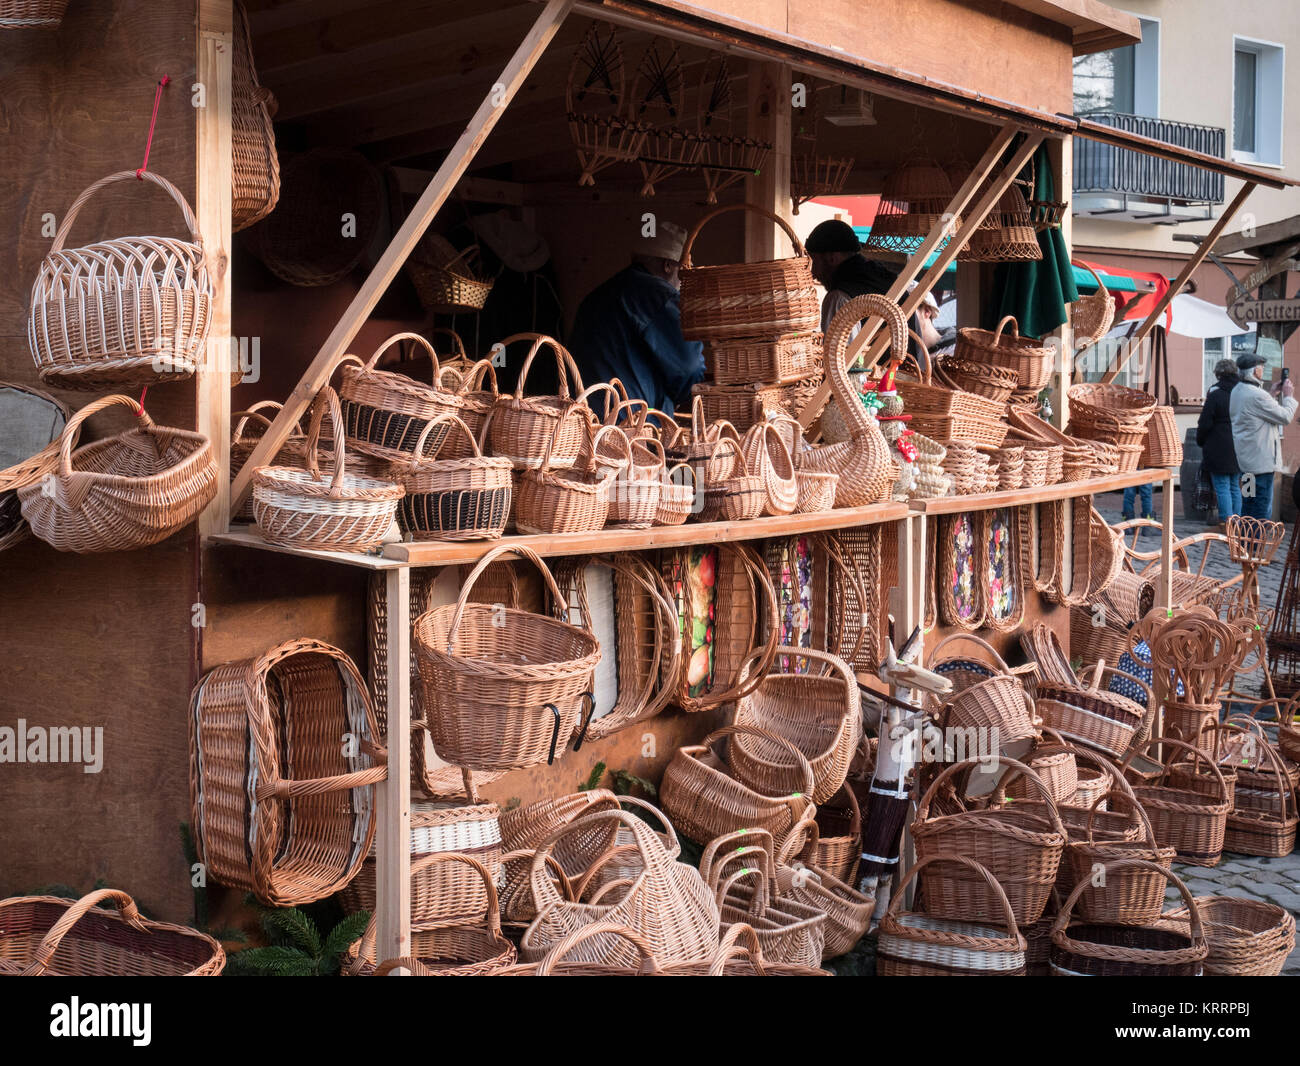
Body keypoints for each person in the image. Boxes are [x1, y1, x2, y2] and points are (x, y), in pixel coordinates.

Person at [567, 220, 704, 417]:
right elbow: (688, 367)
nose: (682, 281)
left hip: (582, 416)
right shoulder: (660, 297)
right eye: (682, 271)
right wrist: (688, 395)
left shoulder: (599, 294)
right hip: (629, 423)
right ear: (667, 266)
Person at [804, 219, 928, 366]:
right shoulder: (891, 283)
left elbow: (840, 366)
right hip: (909, 380)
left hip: (873, 386)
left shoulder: (839, 297)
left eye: (814, 262)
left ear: (832, 258)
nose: (811, 272)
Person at [1229, 351, 1297, 520]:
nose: (1263, 372)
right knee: (1260, 512)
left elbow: (1259, 412)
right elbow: (1285, 416)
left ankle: (1245, 544)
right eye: (1261, 369)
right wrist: (1288, 397)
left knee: (1248, 506)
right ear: (1254, 372)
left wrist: (1272, 394)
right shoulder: (1257, 395)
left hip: (1247, 466)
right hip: (1261, 467)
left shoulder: (1238, 390)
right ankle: (1254, 545)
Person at [1195, 358, 1242, 524]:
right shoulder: (1243, 392)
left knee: (1222, 486)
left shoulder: (1215, 393)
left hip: (1218, 446)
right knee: (1235, 486)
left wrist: (1200, 440)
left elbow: (1205, 422)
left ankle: (1227, 523)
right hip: (1240, 444)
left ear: (1218, 374)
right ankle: (1237, 522)